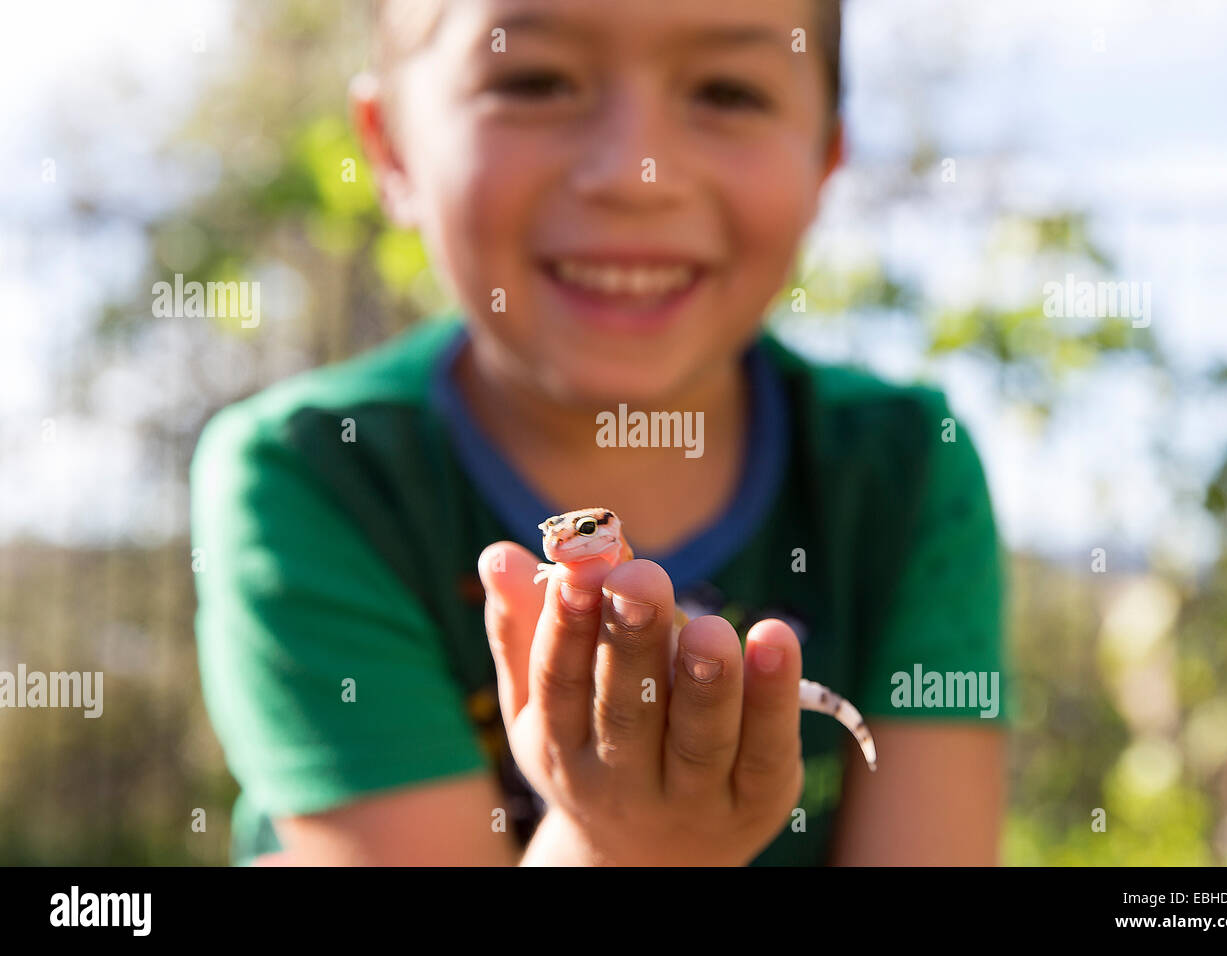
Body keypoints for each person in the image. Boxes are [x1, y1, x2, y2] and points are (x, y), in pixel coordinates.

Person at [191, 0, 1009, 866]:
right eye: (534, 80)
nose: (634, 174)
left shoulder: (908, 467)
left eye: (729, 91)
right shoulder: (314, 475)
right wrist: (617, 842)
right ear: (389, 146)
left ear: (825, 162)